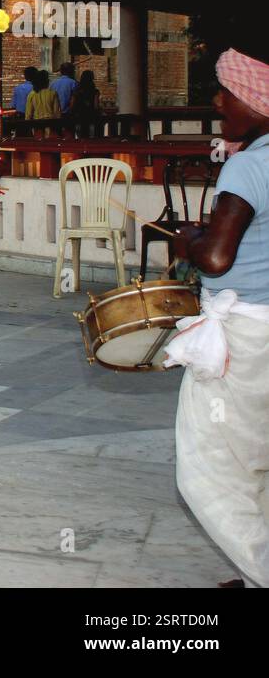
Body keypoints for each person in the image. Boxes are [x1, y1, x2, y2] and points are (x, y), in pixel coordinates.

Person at [168, 45, 269, 588]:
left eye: (228, 92)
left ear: (257, 100)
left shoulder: (251, 164)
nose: (219, 101)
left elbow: (215, 258)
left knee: (211, 470)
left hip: (248, 333)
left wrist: (188, 239)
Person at [67, 70, 101, 138]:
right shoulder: (95, 92)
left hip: (78, 118)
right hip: (90, 118)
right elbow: (96, 106)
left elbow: (71, 105)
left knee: (80, 138)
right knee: (90, 138)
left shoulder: (76, 91)